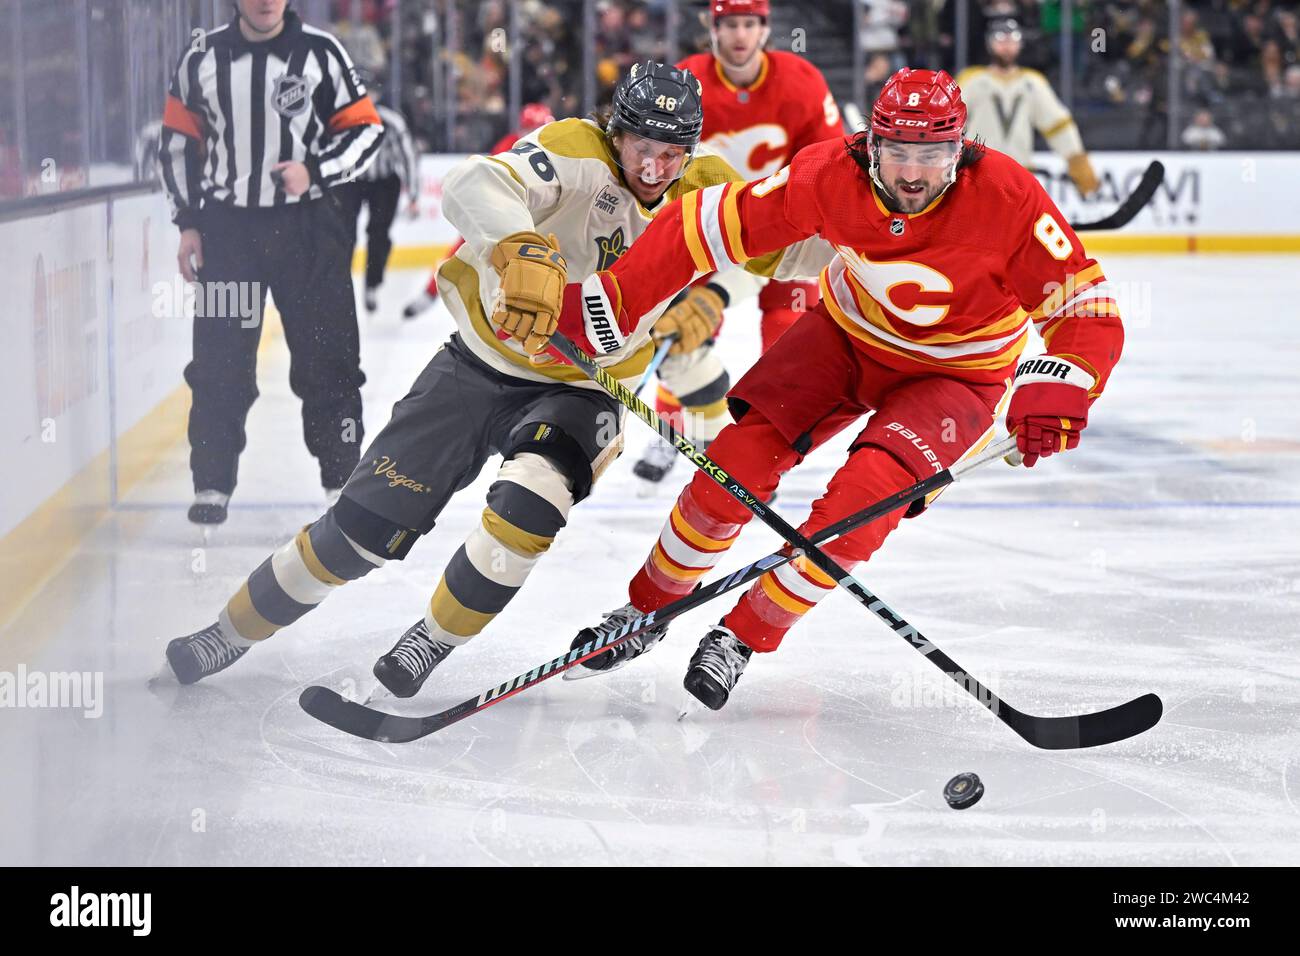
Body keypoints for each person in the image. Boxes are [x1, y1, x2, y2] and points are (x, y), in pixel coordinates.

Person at [161, 62, 821, 695]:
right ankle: (228, 632)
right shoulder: (574, 150)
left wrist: (864, 237)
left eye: (669, 153)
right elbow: (473, 184)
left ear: (691, 149)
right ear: (615, 131)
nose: (652, 167)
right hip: (478, 364)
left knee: (529, 507)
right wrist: (521, 247)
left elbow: (783, 248)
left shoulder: (705, 185)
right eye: (639, 145)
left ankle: (431, 639)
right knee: (353, 537)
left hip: (584, 389)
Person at [559, 68, 1125, 710]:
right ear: (870, 144)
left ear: (960, 150)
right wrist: (617, 298)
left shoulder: (1008, 197)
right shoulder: (830, 174)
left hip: (956, 376)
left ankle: (743, 635)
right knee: (731, 469)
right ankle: (644, 612)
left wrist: (1066, 380)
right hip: (845, 340)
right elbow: (709, 225)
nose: (913, 175)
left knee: (856, 516)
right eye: (900, 154)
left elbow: (1086, 305)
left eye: (932, 156)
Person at [158, 0, 383, 525]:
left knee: (329, 356)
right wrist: (188, 222)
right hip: (228, 234)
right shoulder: (201, 58)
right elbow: (176, 146)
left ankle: (341, 476)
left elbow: (367, 130)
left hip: (308, 233)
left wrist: (317, 171)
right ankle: (211, 482)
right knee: (219, 361)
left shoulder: (322, 53)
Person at [633, 0, 846, 486]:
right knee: (684, 331)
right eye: (730, 24)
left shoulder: (803, 81)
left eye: (750, 24)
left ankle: (762, 445)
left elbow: (830, 163)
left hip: (784, 236)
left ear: (765, 29)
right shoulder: (686, 81)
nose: (739, 35)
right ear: (712, 28)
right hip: (709, 228)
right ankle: (674, 428)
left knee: (791, 338)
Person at [401, 103, 555, 319]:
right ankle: (431, 291)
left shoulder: (553, 149)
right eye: (531, 129)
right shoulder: (508, 146)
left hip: (534, 214)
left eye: (540, 129)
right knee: (465, 248)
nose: (534, 135)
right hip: (501, 212)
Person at [955, 18, 1099, 198]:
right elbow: (951, 124)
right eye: (1001, 39)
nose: (1007, 46)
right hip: (977, 173)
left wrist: (1076, 160)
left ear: (1020, 44)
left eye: (1012, 40)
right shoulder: (972, 80)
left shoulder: (1032, 82)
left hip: (1019, 173)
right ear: (989, 42)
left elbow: (1058, 124)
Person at [338, 70, 420, 314]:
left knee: (379, 233)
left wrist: (413, 196)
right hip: (350, 181)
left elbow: (408, 157)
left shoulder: (391, 121)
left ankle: (372, 283)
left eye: (368, 93)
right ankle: (339, 284)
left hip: (384, 182)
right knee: (343, 233)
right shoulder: (341, 120)